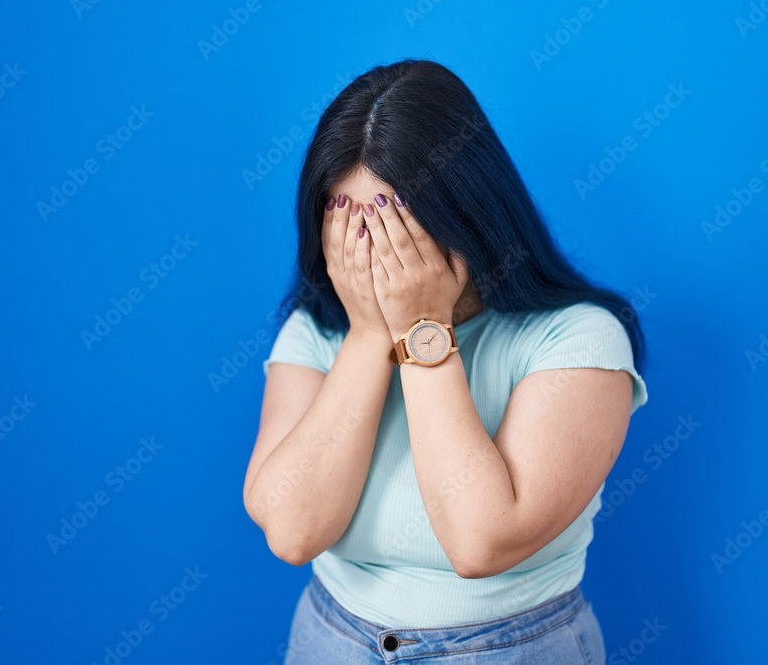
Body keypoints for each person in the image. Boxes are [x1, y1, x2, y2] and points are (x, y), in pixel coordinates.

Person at [242, 59, 648, 665]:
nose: (377, 250)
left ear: (466, 209)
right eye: (350, 222)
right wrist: (368, 337)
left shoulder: (581, 338)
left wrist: (422, 330)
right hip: (331, 642)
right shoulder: (316, 332)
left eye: (395, 220)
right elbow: (293, 531)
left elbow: (480, 541)